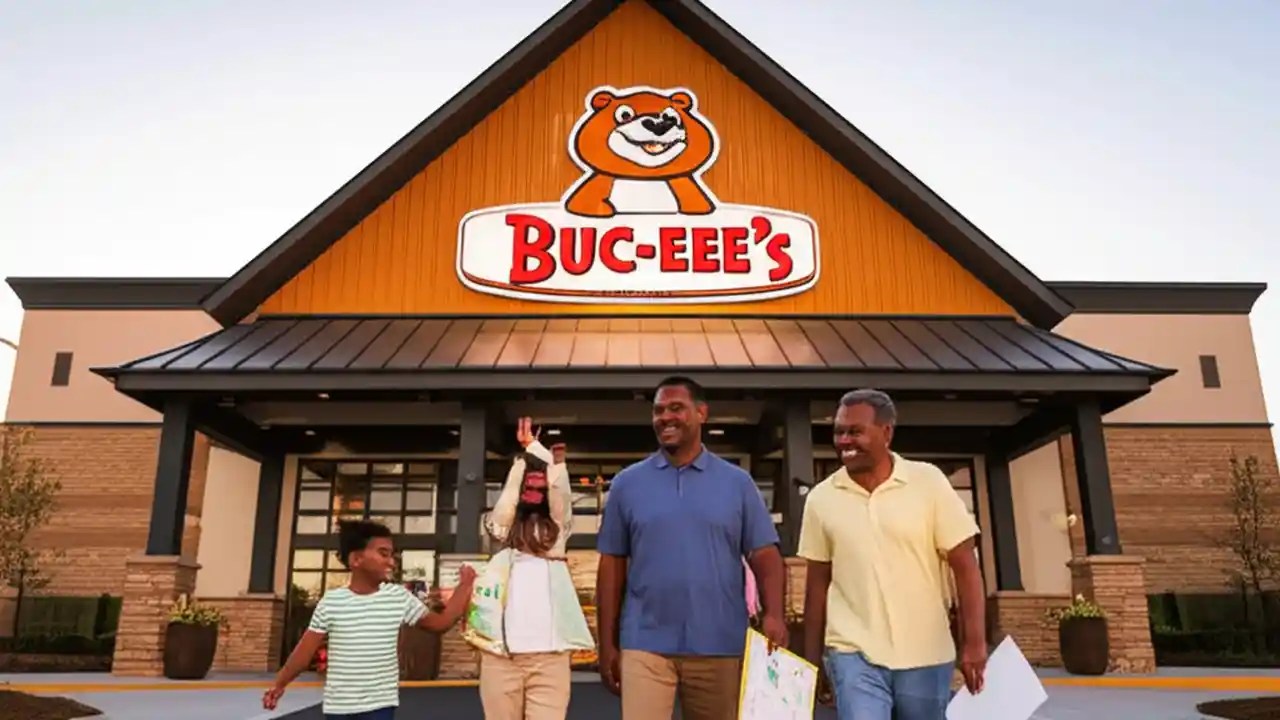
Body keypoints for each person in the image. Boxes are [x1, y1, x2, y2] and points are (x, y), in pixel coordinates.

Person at [596, 375, 788, 720]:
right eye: (658, 411)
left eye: (676, 408)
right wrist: (606, 644)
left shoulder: (737, 483)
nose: (665, 418)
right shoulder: (627, 484)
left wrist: (775, 613)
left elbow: (765, 554)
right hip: (645, 642)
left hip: (719, 643)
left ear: (702, 413)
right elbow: (611, 565)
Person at [798, 389, 987, 720]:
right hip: (852, 652)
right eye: (839, 431)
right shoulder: (821, 498)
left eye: (855, 431)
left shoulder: (927, 482)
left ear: (886, 432)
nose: (844, 440)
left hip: (926, 654)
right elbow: (817, 585)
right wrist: (811, 662)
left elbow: (965, 567)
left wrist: (975, 643)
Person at [263, 519, 476, 720]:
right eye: (383, 554)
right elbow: (303, 653)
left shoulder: (397, 597)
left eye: (392, 555)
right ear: (356, 559)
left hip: (379, 706)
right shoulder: (331, 602)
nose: (391, 562)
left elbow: (441, 623)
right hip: (339, 707)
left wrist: (465, 585)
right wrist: (279, 684)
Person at [466, 417, 594, 719]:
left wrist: (544, 458)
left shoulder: (556, 539)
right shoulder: (500, 538)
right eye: (530, 485)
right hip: (501, 657)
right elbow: (507, 504)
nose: (535, 489)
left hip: (550, 659)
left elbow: (559, 494)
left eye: (540, 484)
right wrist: (525, 460)